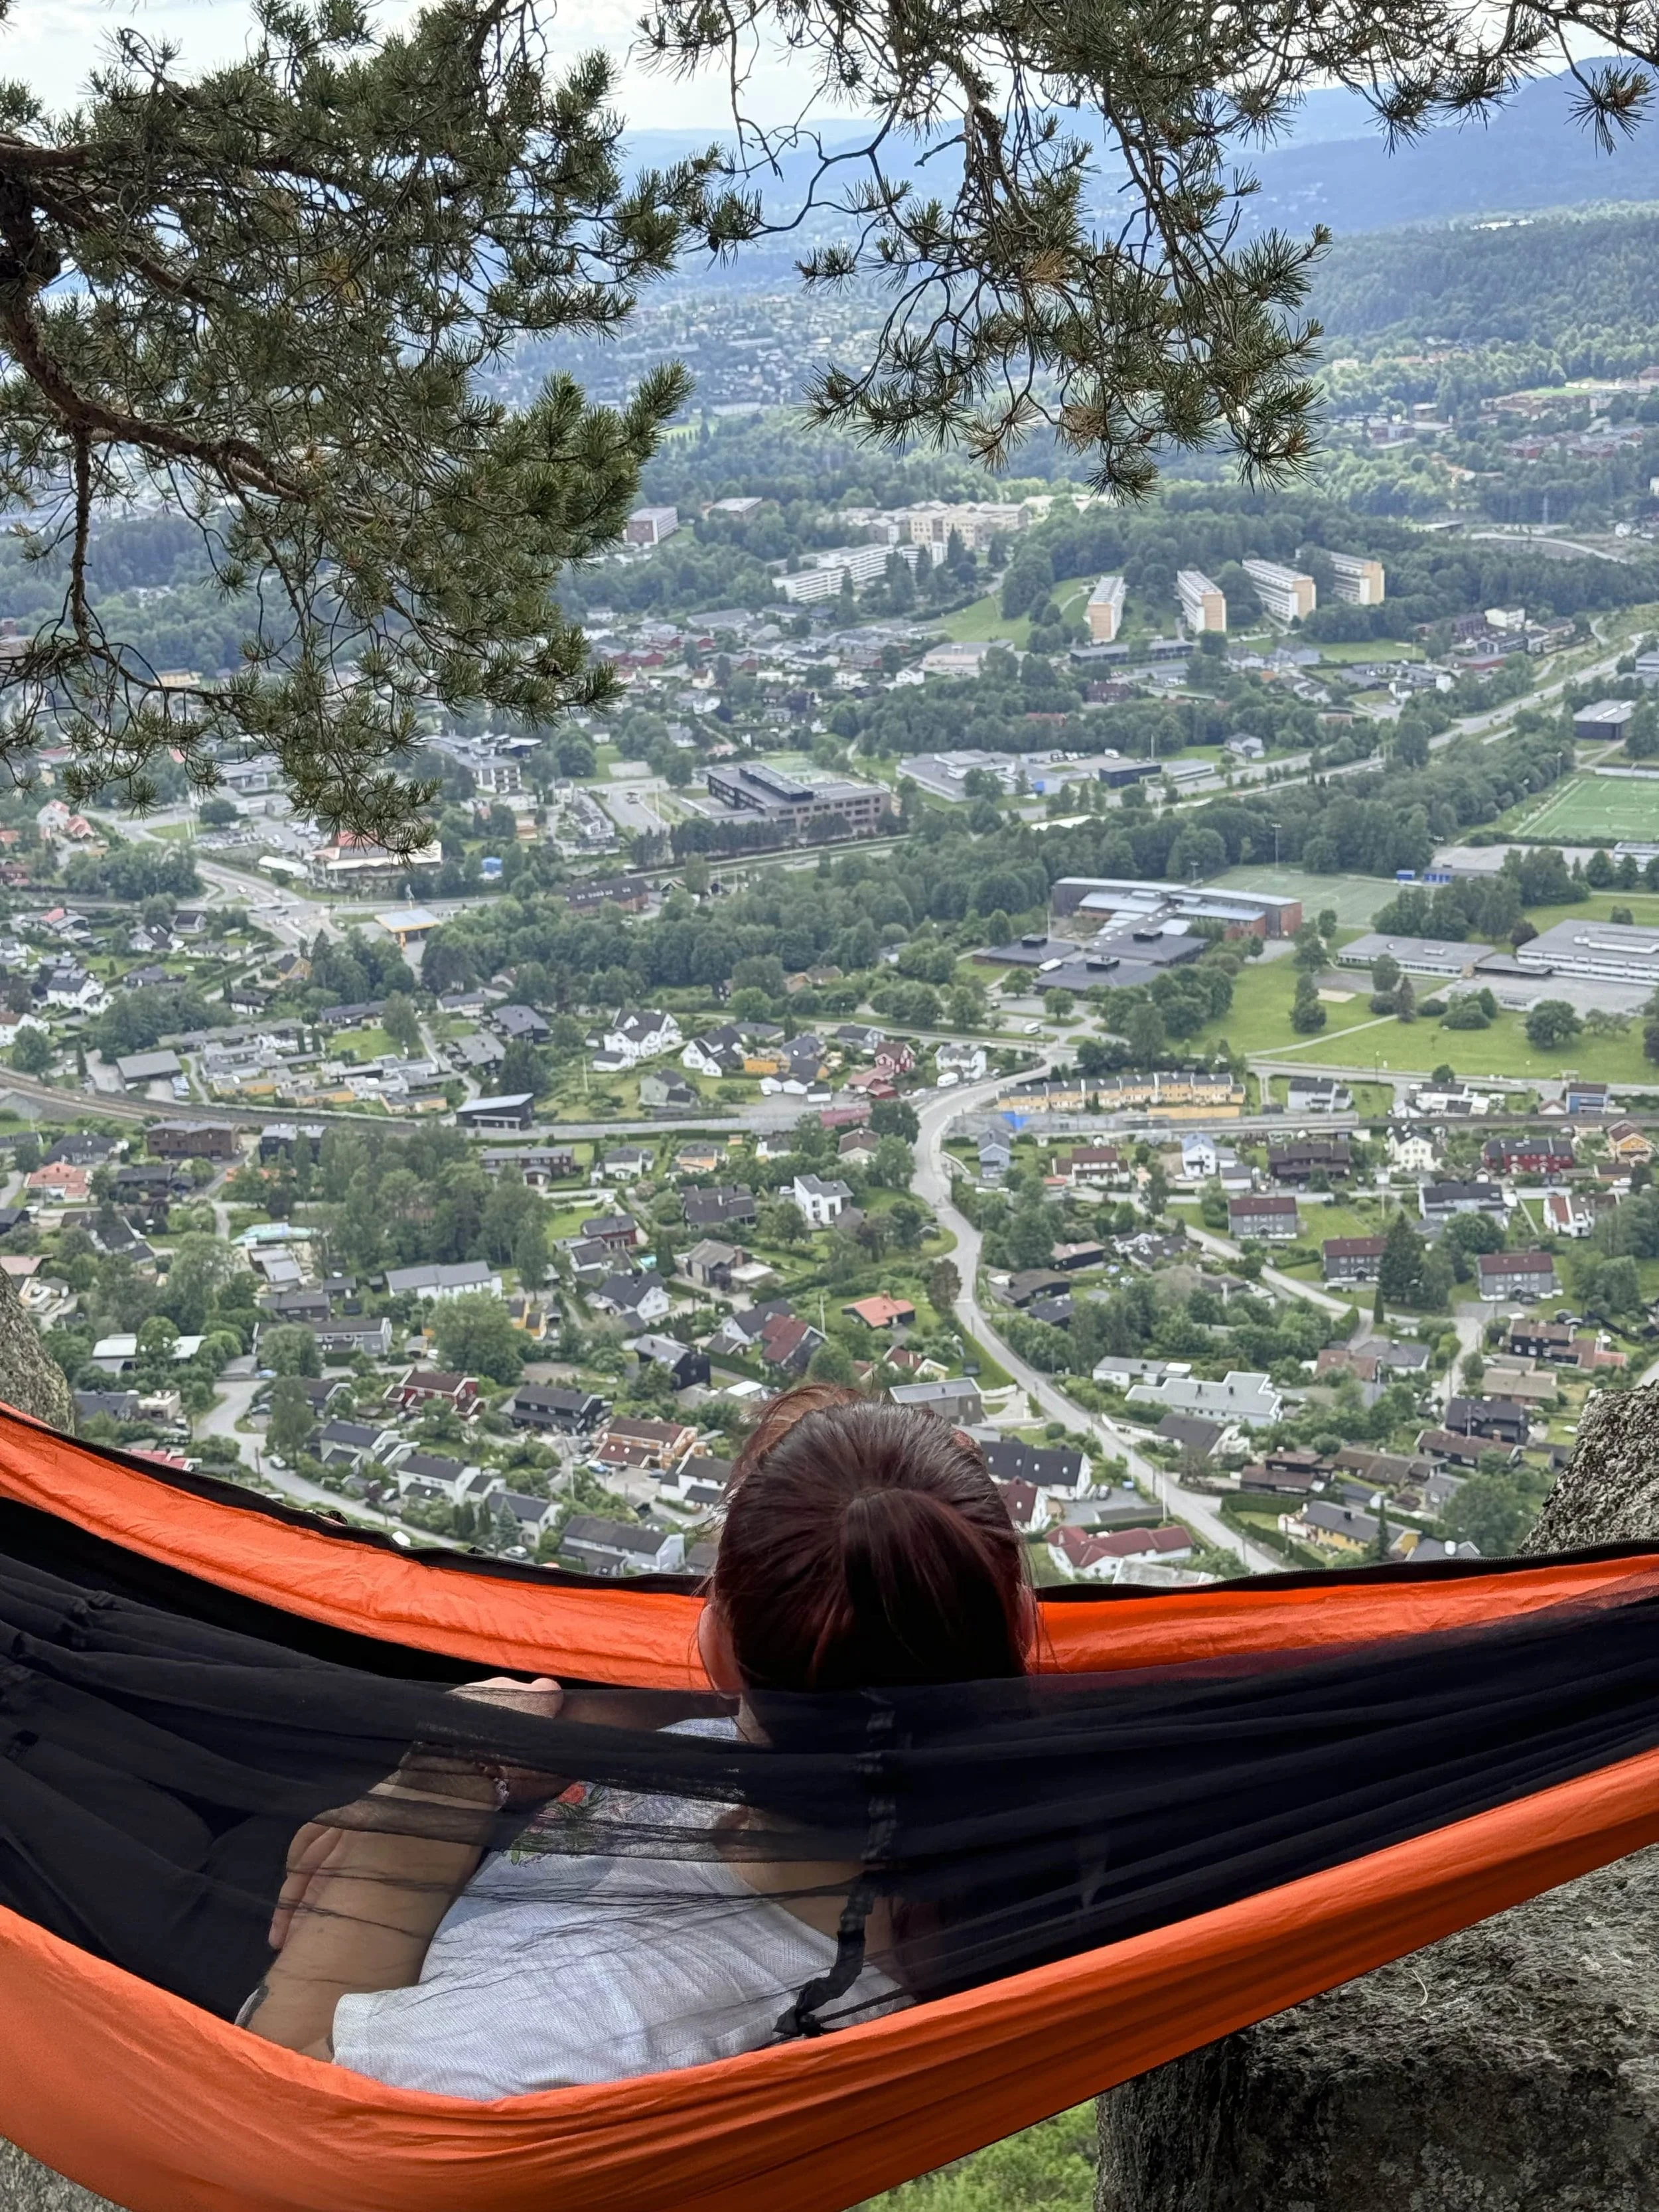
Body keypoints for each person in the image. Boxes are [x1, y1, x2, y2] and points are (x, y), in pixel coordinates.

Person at [242, 1386, 1036, 2095]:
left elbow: (280, 2115)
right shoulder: (988, 1812)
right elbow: (873, 1554)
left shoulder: (586, 2027)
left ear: (717, 1646)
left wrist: (435, 1787)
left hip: (250, 1964)